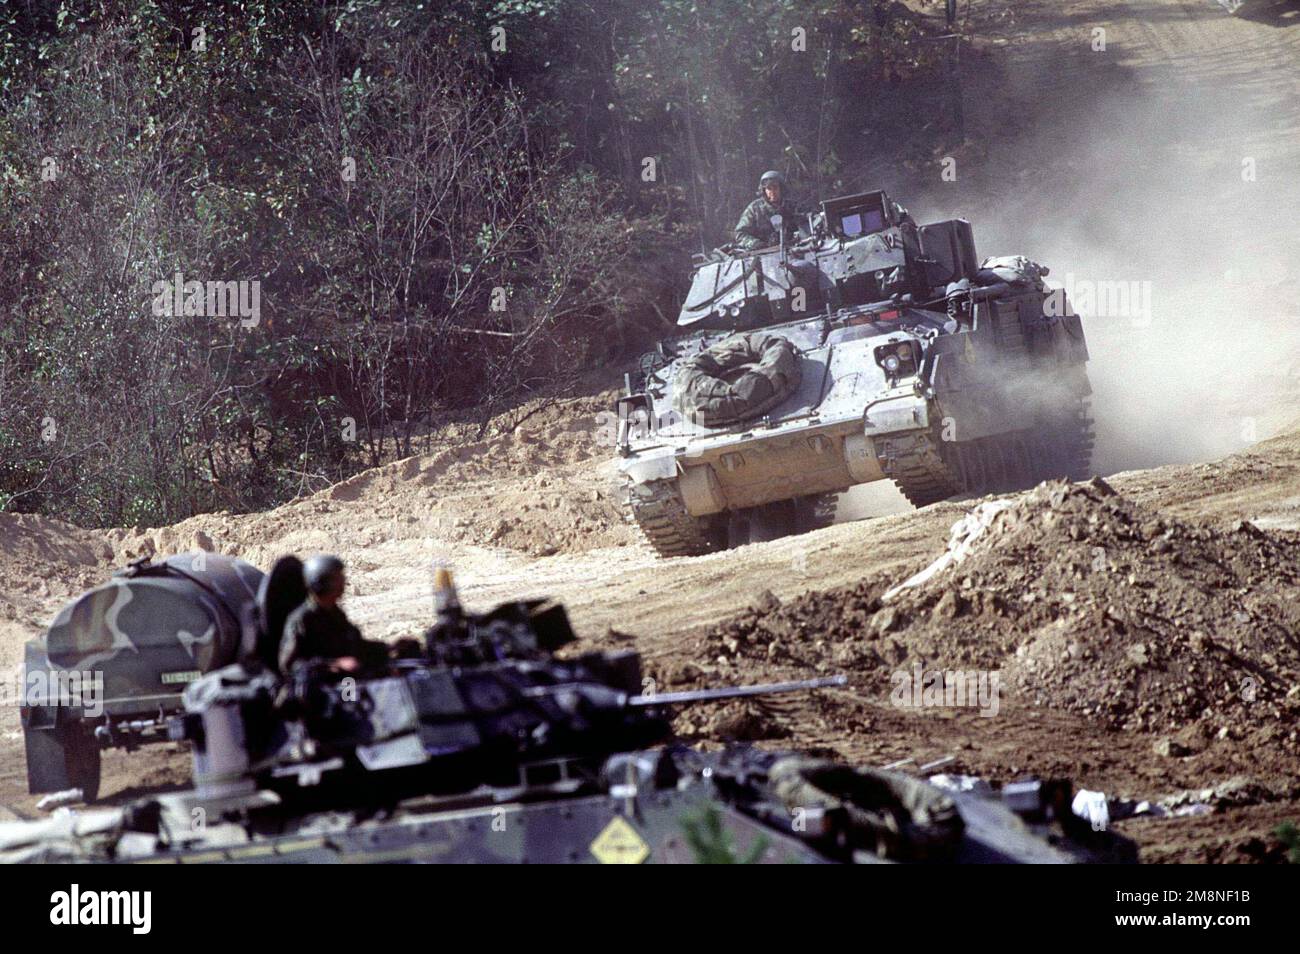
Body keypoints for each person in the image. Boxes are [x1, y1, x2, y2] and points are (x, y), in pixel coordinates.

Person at [278, 554, 375, 675]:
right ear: (319, 584)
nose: (343, 583)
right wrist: (333, 664)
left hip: (343, 682)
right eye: (337, 579)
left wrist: (387, 649)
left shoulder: (335, 613)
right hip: (319, 687)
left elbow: (354, 645)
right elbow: (290, 665)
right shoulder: (302, 619)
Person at [733, 170, 801, 250]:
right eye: (769, 188)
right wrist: (754, 243)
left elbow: (806, 223)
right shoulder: (755, 209)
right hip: (763, 255)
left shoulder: (792, 207)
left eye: (775, 187)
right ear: (764, 190)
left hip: (791, 251)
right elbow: (740, 233)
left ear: (781, 189)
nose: (772, 192)